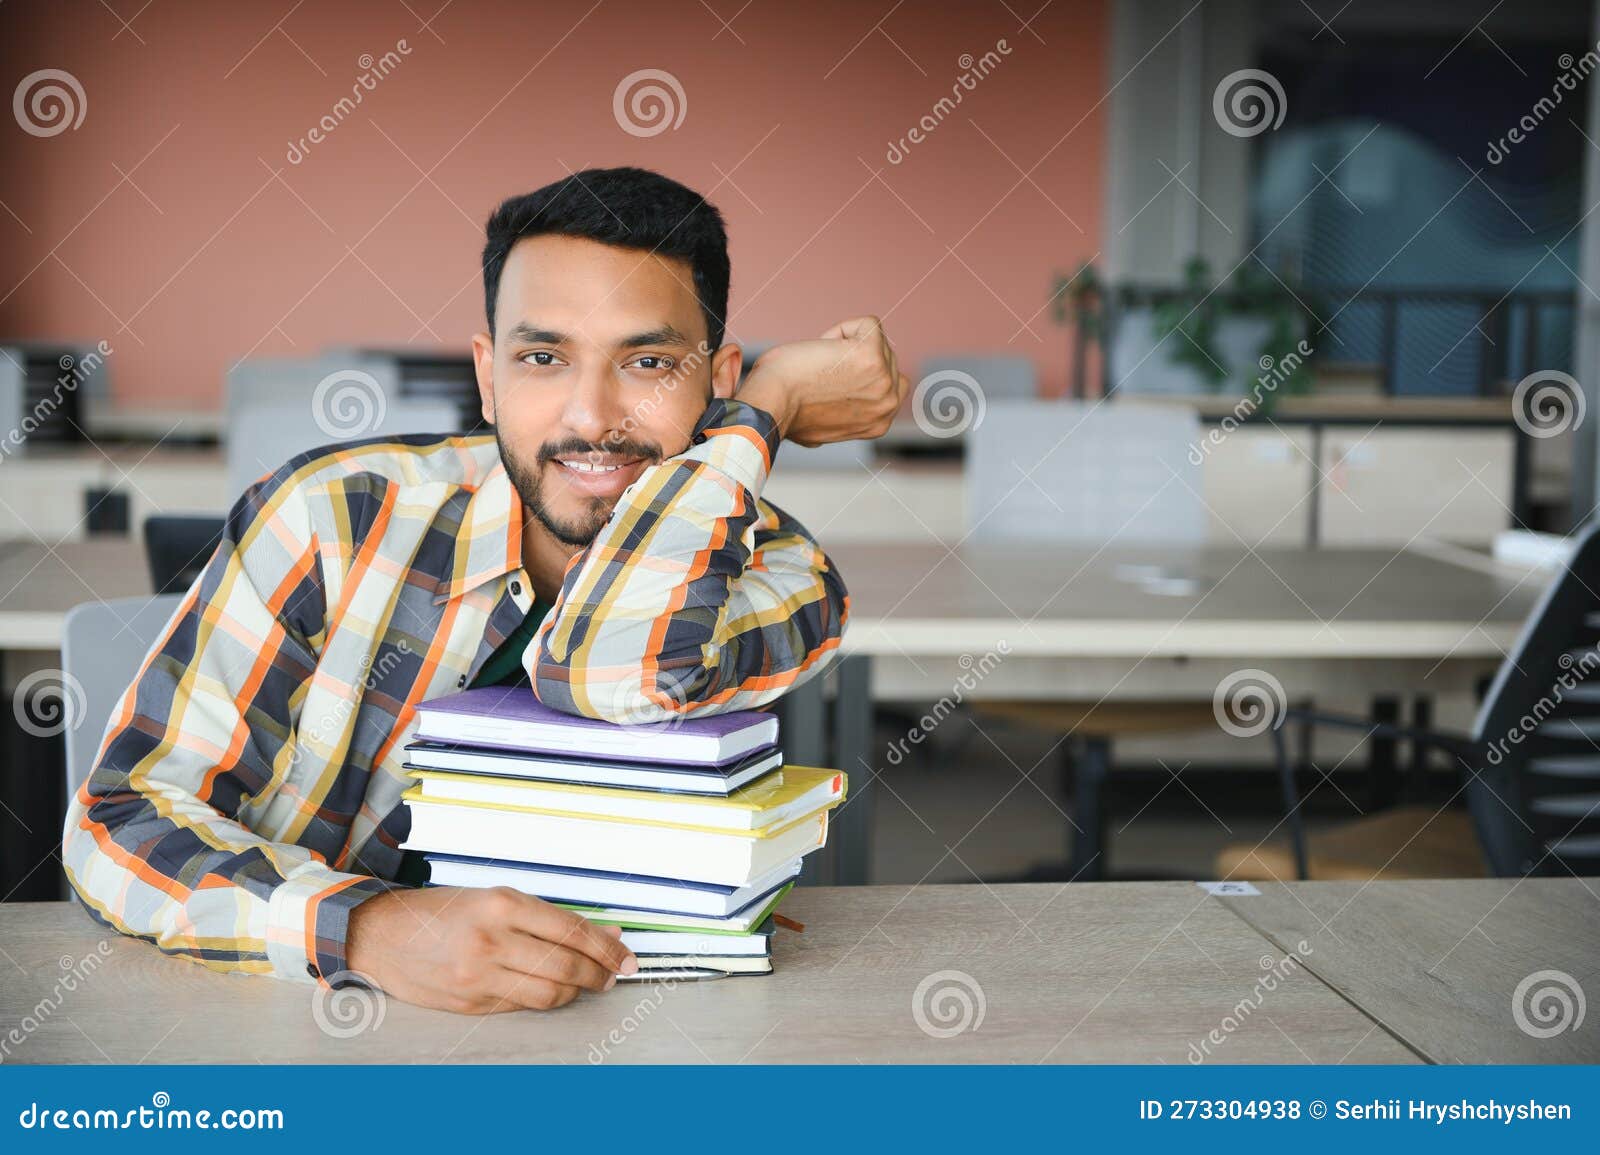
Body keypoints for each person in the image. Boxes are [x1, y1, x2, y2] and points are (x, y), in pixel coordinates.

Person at [61, 166, 907, 1014]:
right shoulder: (331, 517)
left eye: (648, 362)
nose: (590, 416)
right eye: (543, 358)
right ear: (489, 378)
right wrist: (367, 929)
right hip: (303, 1024)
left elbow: (610, 669)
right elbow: (121, 821)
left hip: (633, 1031)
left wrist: (766, 404)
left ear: (717, 382)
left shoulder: (783, 575)